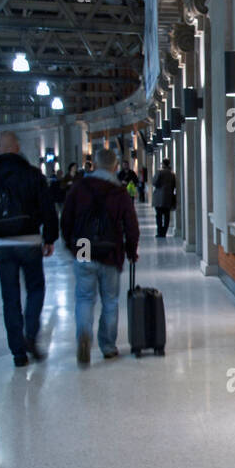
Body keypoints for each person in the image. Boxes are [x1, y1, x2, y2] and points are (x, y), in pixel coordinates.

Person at [0, 131, 58, 367]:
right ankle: (30, 333)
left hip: (1, 243)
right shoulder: (33, 175)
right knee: (36, 288)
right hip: (30, 241)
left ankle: (18, 352)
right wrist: (49, 237)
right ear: (17, 148)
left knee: (10, 297)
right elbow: (48, 208)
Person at [61, 146, 139, 365]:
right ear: (115, 167)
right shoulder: (120, 192)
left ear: (93, 165)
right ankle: (108, 346)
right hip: (110, 247)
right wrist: (132, 250)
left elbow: (66, 218)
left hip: (85, 245)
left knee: (85, 297)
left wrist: (70, 244)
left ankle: (84, 333)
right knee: (110, 300)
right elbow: (131, 226)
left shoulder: (80, 187)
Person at [152, 159, 176, 238]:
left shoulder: (160, 172)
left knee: (159, 216)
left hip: (159, 198)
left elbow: (154, 182)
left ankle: (159, 232)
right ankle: (164, 232)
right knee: (166, 216)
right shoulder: (172, 174)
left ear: (163, 164)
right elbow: (174, 185)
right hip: (168, 197)